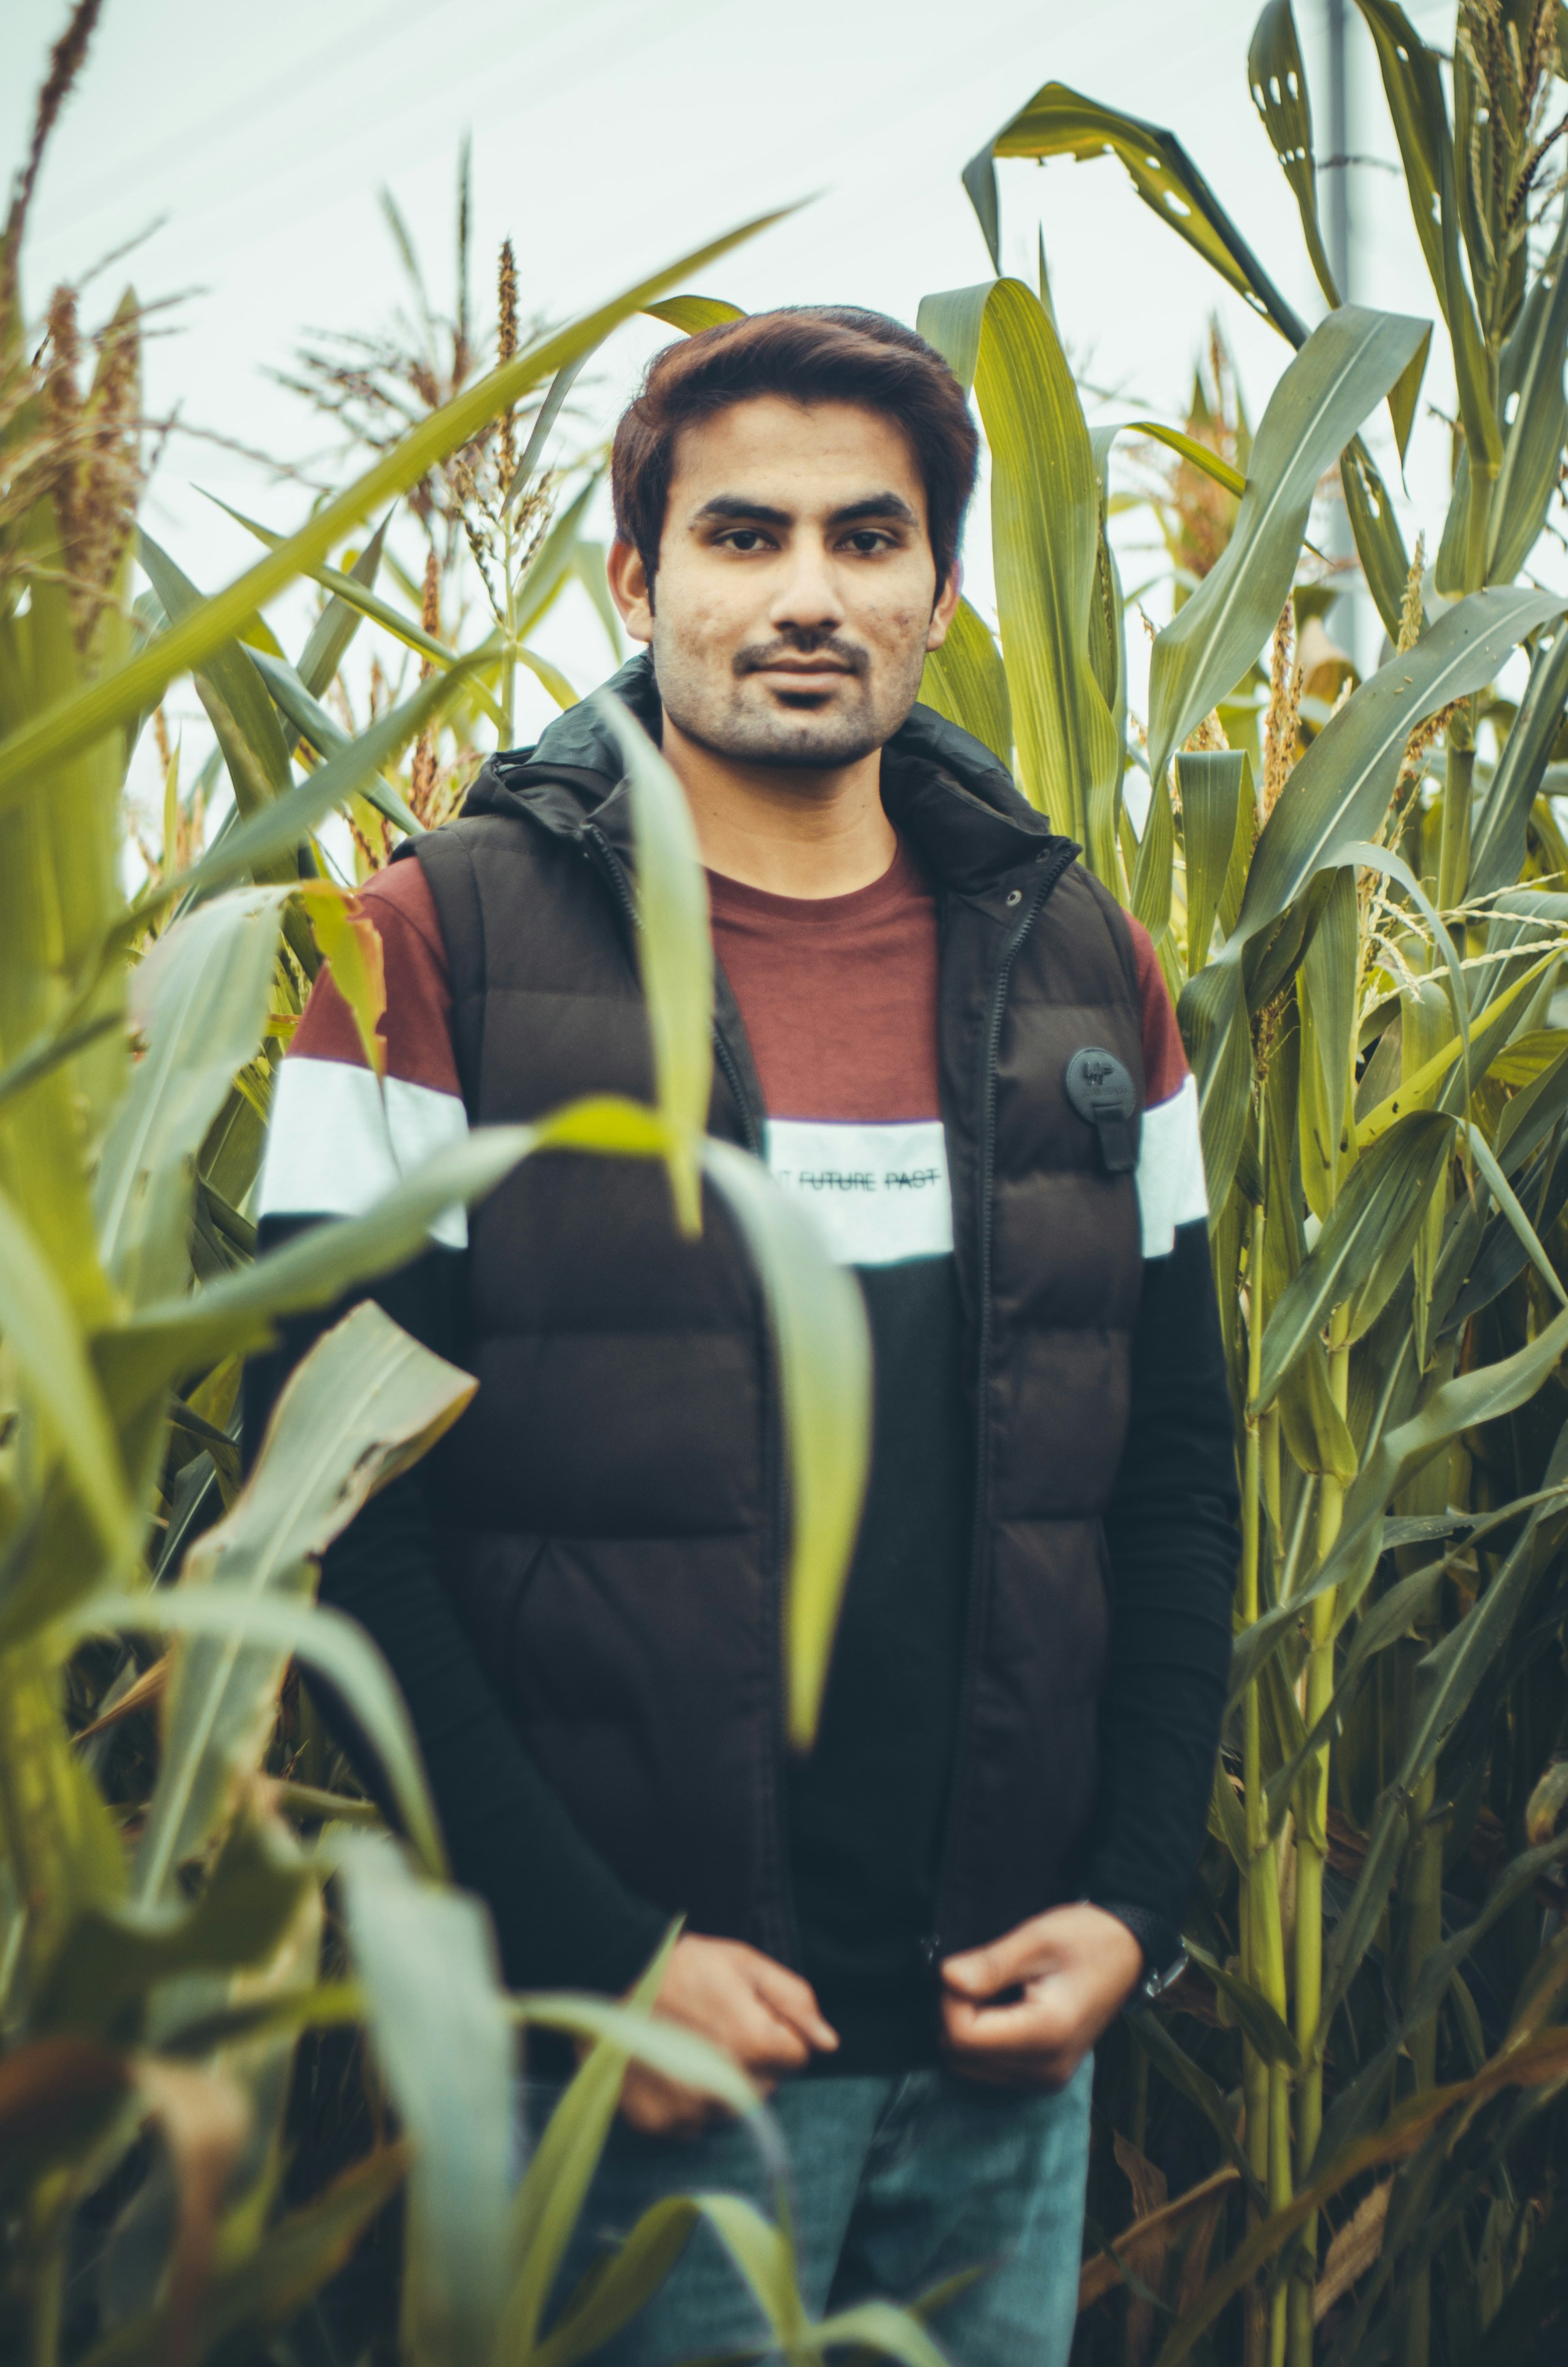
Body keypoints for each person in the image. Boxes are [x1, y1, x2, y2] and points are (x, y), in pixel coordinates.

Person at [245, 307, 1238, 2366]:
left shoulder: (1087, 974)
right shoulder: (437, 946)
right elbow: (329, 1514)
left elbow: (1173, 1475)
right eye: (743, 535)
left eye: (869, 539)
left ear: (941, 597)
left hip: (1002, 2065)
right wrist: (595, 1950)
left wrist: (1138, 1895)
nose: (808, 594)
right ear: (638, 580)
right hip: (613, 2069)